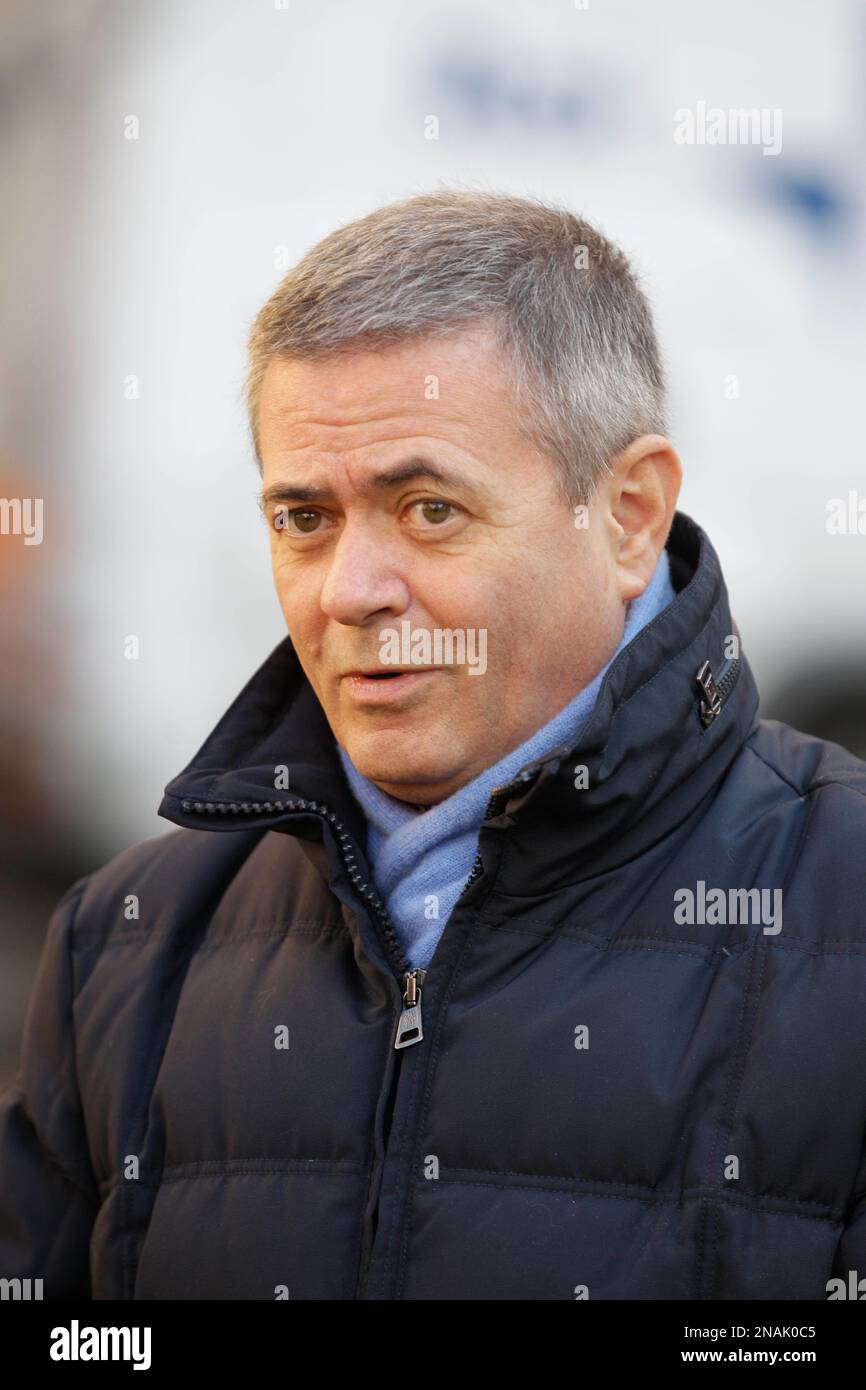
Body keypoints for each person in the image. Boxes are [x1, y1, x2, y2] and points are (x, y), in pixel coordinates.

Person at [2, 189, 866, 1301]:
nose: (349, 592)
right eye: (302, 519)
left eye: (427, 509)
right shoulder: (123, 946)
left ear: (628, 513)